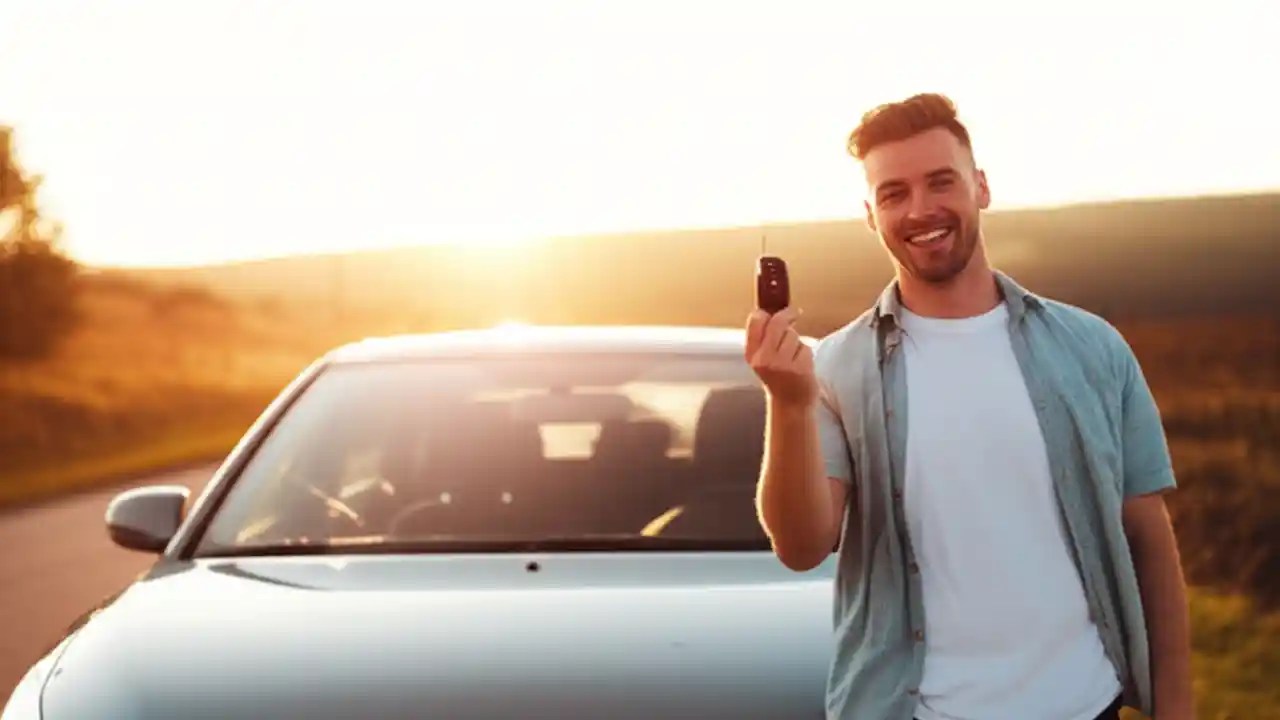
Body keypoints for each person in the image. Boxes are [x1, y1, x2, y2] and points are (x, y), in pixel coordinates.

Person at [745, 93, 1193, 720]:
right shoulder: (836, 369)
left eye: (941, 182)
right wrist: (788, 405)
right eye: (894, 193)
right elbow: (799, 546)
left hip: (1087, 705)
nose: (921, 209)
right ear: (870, 216)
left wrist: (1176, 708)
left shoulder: (1093, 349)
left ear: (980, 187)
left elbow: (1148, 540)